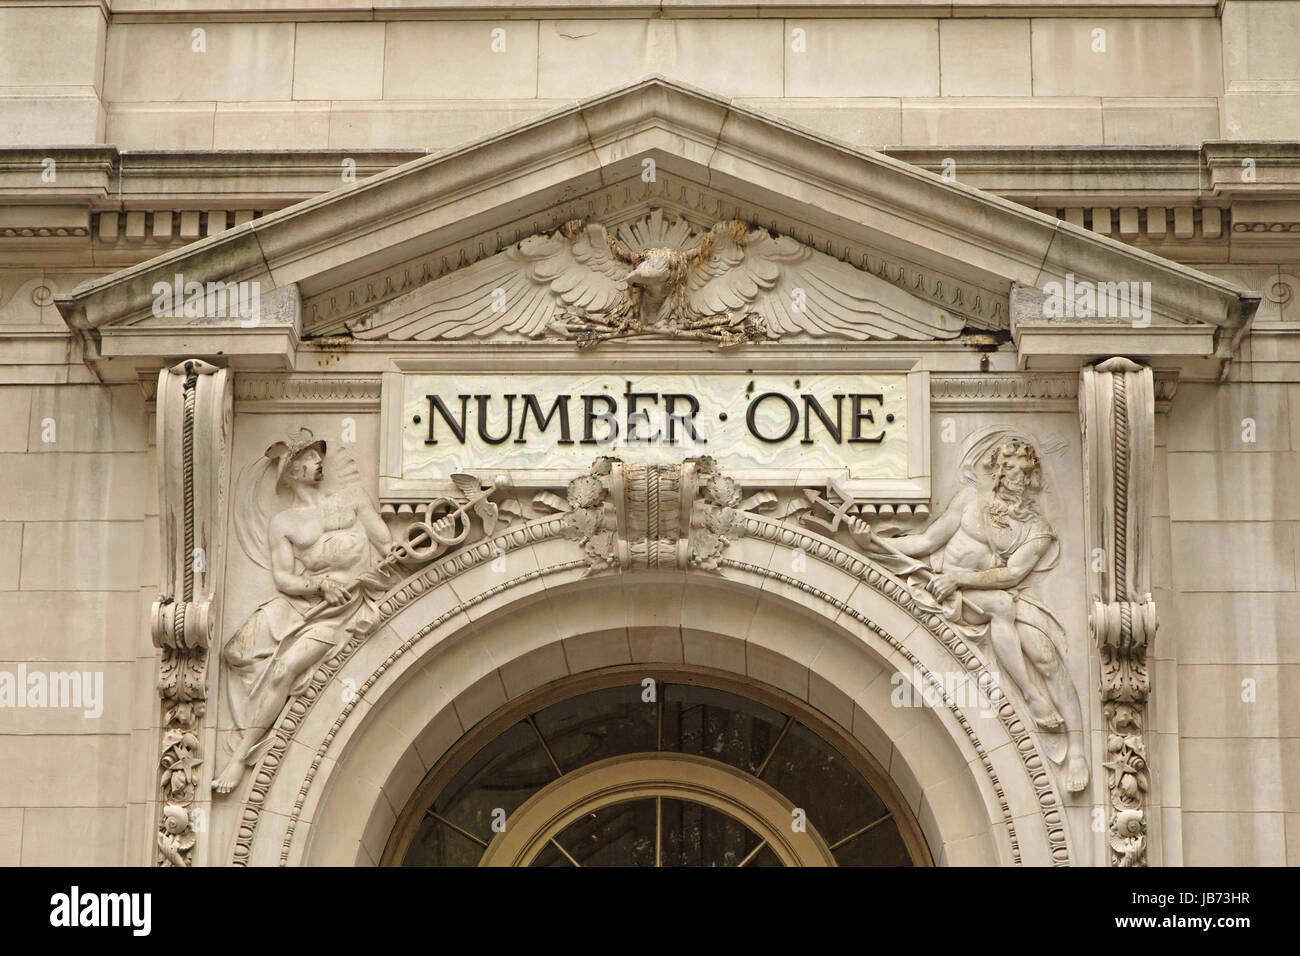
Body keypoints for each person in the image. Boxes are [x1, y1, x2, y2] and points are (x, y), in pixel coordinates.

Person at [850, 438, 1089, 792]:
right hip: (935, 586)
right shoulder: (968, 500)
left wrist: (957, 580)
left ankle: (1079, 747)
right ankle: (1033, 697)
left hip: (981, 592)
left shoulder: (1037, 529)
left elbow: (1011, 576)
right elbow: (924, 542)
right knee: (1004, 609)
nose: (1010, 476)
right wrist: (870, 544)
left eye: (1018, 470)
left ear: (1032, 477)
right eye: (1004, 467)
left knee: (1044, 652)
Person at [214, 433, 392, 795]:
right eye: (309, 457)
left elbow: (388, 547)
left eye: (317, 456)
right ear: (292, 469)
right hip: (311, 603)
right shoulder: (284, 522)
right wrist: (320, 586)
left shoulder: (353, 499)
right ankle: (242, 748)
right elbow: (282, 577)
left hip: (346, 608)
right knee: (241, 653)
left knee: (285, 666)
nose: (317, 462)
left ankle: (241, 755)